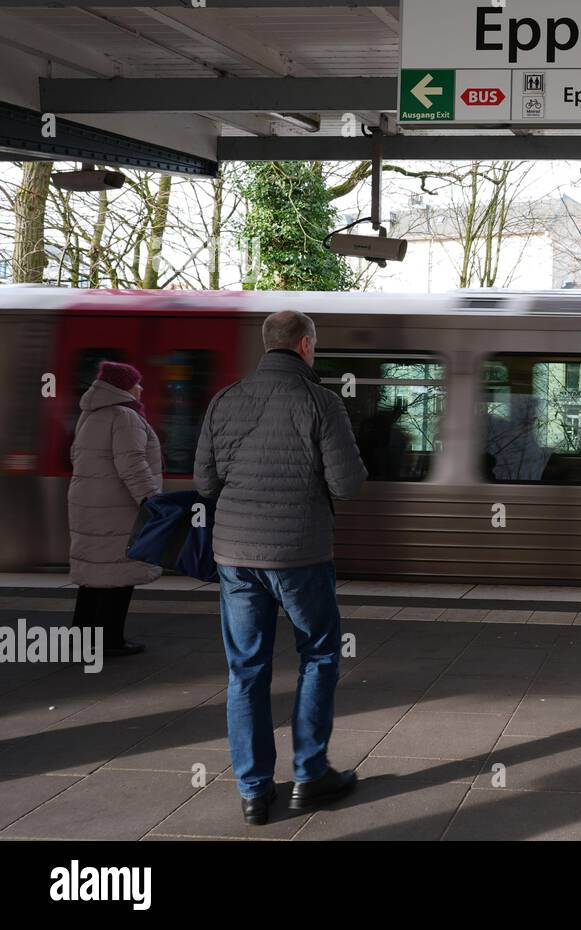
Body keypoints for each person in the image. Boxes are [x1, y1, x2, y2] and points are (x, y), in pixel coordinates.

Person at [194, 310, 368, 826]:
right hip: (300, 555)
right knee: (318, 654)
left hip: (236, 558)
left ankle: (253, 791)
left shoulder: (224, 400)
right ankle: (311, 775)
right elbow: (347, 485)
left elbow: (205, 484)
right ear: (305, 345)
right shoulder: (321, 402)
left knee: (246, 670)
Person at [67, 360, 162, 657]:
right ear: (122, 387)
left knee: (94, 575)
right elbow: (132, 465)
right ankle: (110, 640)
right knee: (119, 574)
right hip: (118, 508)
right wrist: (152, 502)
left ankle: (80, 637)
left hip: (91, 503)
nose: (141, 387)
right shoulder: (125, 415)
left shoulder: (90, 414)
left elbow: (75, 456)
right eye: (137, 382)